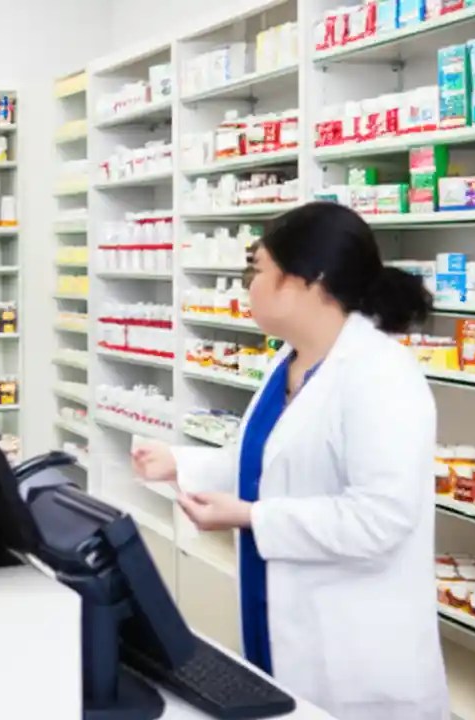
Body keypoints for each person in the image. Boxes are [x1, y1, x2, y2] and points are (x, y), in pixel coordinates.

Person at [131, 202, 447, 719]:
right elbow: (271, 462)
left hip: (357, 663)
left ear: (307, 280)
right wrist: (178, 464)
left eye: (257, 271)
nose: (247, 286)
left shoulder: (380, 374)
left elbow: (381, 518)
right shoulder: (291, 359)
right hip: (282, 626)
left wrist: (251, 516)